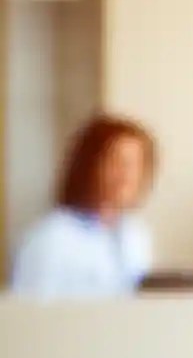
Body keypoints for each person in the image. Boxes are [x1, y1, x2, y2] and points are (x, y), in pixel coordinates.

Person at [10, 114, 157, 298]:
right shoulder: (50, 238)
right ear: (90, 166)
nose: (125, 176)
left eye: (134, 165)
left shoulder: (136, 234)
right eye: (115, 163)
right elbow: (27, 317)